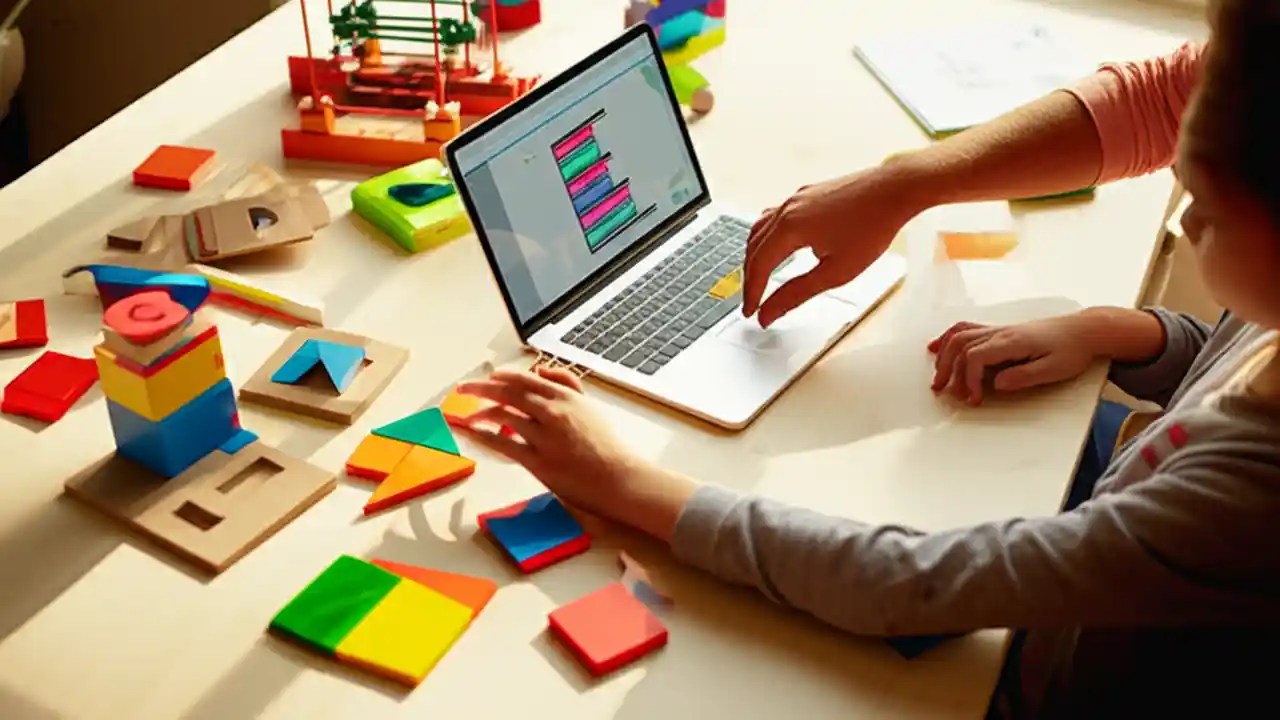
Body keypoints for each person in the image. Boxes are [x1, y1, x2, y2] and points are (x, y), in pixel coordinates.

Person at [456, 1, 1280, 716]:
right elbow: (1226, 356)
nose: (1184, 206)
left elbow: (914, 588)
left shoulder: (1246, 494)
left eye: (1199, 203)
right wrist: (1115, 331)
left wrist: (622, 480)